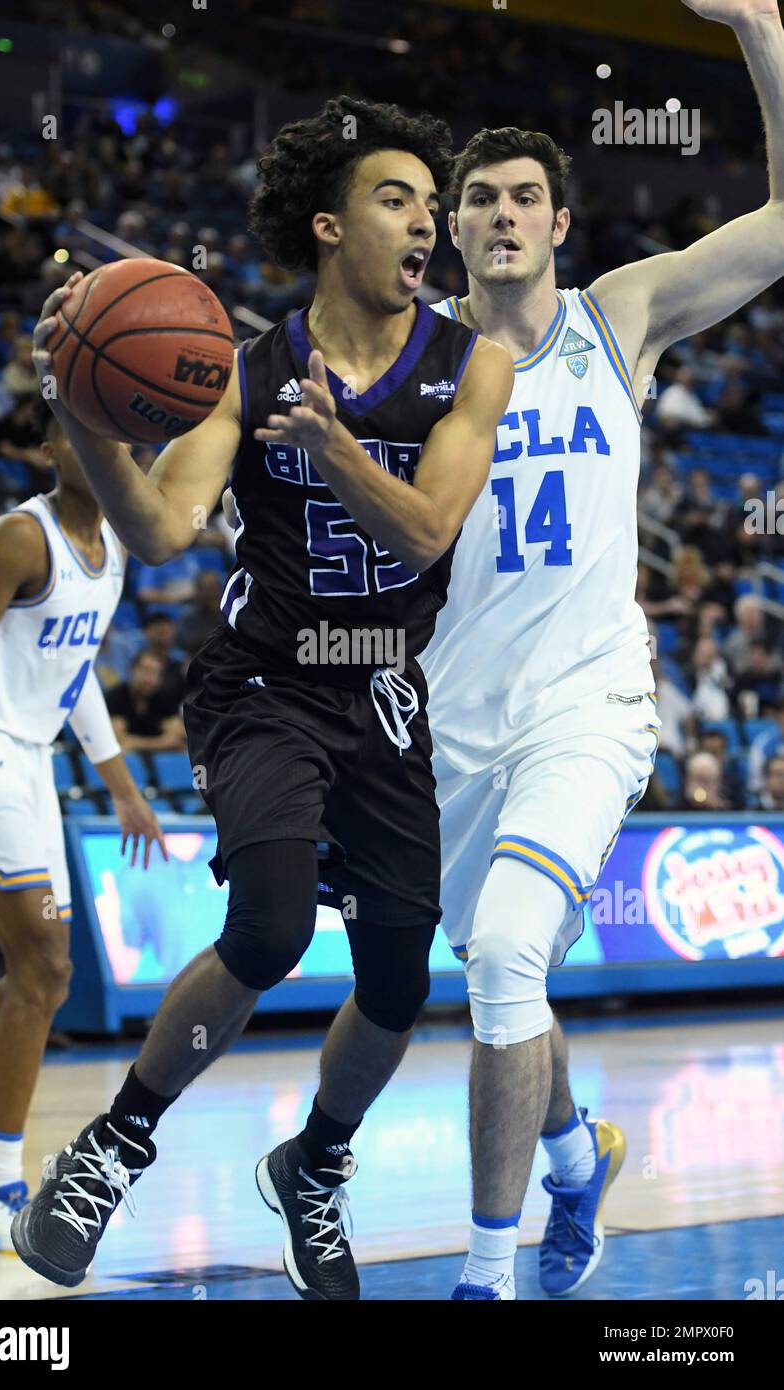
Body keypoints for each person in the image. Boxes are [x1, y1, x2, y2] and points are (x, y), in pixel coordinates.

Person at [10, 95, 512, 1298]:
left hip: (382, 693)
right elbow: (161, 529)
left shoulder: (472, 364)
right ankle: (111, 1146)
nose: (426, 224)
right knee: (271, 930)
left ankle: (313, 1163)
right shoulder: (244, 373)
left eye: (431, 206)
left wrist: (334, 449)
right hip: (265, 686)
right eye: (396, 198)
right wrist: (81, 409)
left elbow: (425, 532)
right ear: (328, 225)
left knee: (397, 983)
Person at [419, 0, 784, 1301]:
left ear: (559, 223)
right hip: (450, 724)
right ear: (449, 225)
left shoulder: (616, 315)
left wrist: (759, 31)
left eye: (525, 196)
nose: (503, 213)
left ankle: (486, 1272)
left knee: (506, 957)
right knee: (500, 977)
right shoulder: (412, 352)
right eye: (480, 198)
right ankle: (577, 1156)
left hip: (589, 709)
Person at [0, 406, 166, 1250]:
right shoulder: (17, 539)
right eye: (77, 434)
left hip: (32, 765)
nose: (96, 450)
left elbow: (77, 669)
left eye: (110, 438)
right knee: (45, 964)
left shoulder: (119, 547)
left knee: (44, 979)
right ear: (49, 447)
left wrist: (123, 786)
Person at [106, 649, 186, 752]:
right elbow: (117, 740)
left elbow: (177, 738)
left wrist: (134, 743)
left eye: (155, 673)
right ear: (132, 670)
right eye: (145, 670)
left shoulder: (165, 699)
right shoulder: (116, 696)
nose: (148, 679)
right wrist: (161, 743)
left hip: (160, 759)